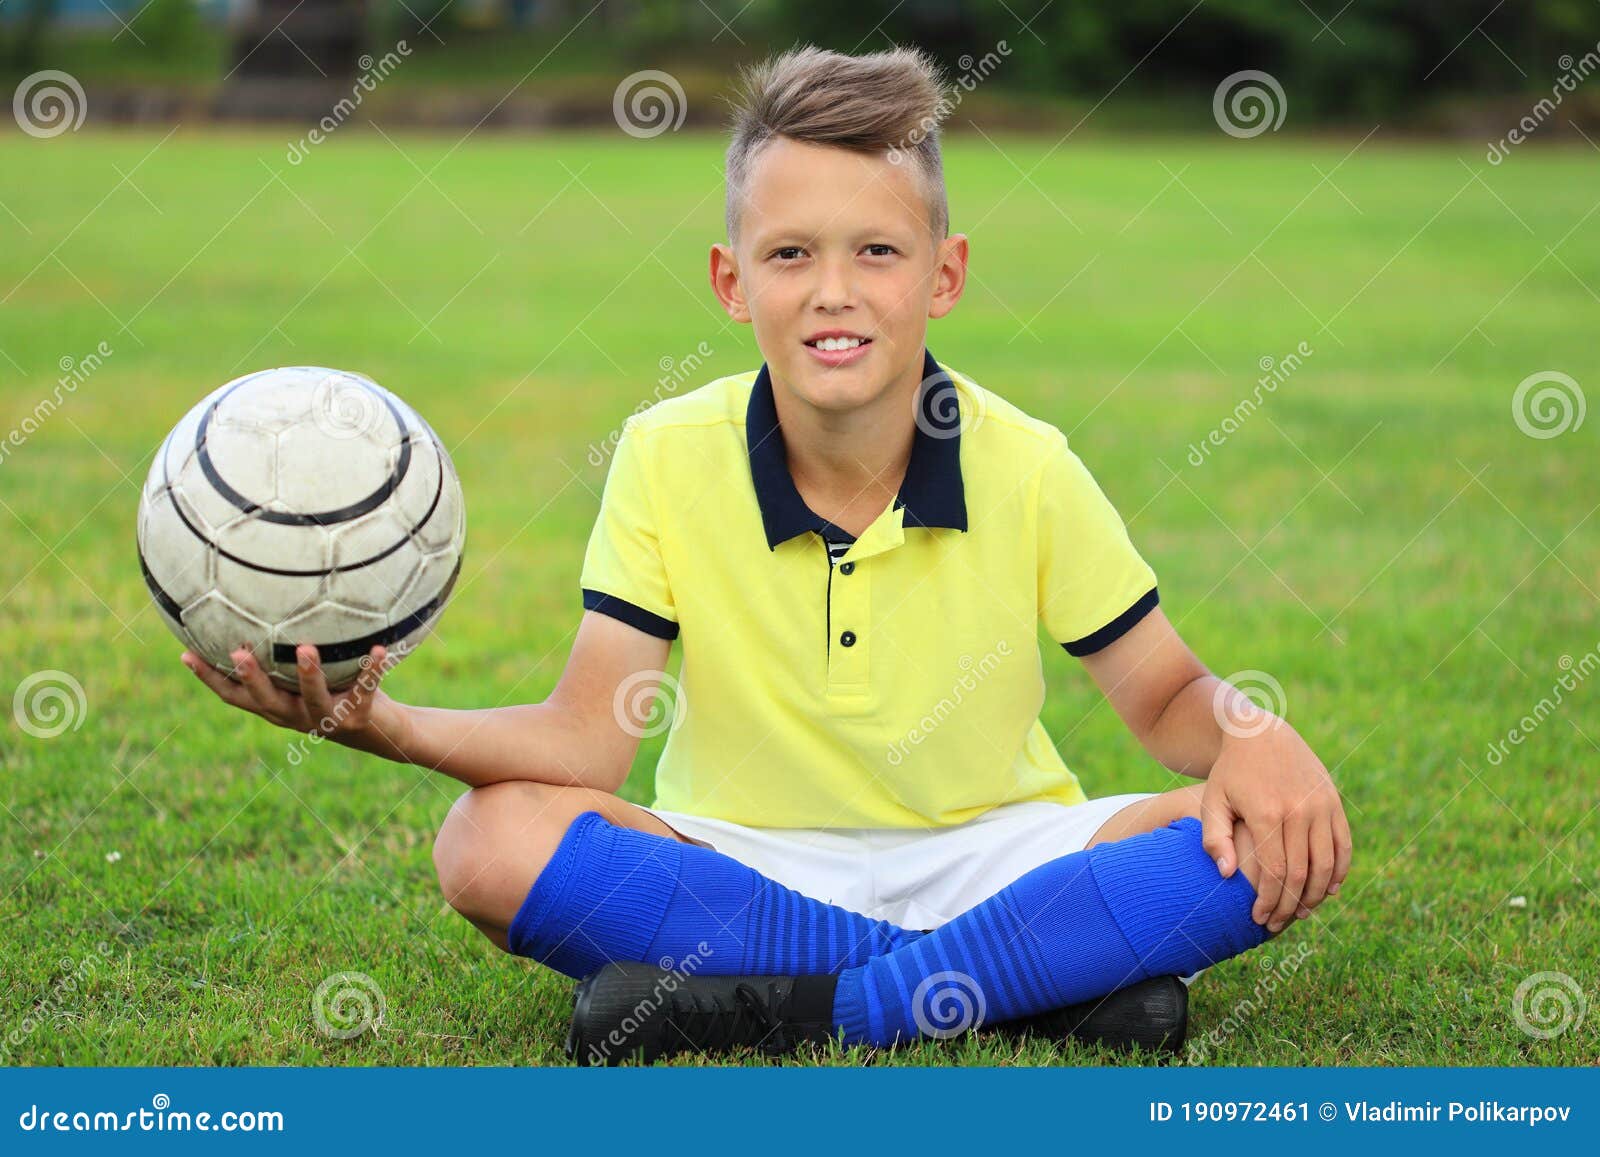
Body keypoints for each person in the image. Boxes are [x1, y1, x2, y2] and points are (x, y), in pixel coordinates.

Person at [184, 44, 1352, 1065]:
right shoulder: (665, 452)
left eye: (878, 253)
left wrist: (1258, 733)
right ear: (730, 281)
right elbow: (587, 739)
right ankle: (1028, 988)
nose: (833, 292)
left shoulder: (1026, 461)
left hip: (997, 852)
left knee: (1264, 834)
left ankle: (816, 1008)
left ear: (942, 274)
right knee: (486, 844)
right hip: (742, 865)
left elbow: (1161, 693)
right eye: (789, 255)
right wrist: (386, 725)